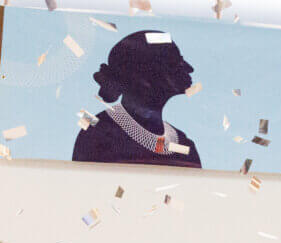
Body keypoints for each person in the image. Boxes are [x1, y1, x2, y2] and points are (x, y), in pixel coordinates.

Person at [73, 31, 202, 168]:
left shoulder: (183, 143)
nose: (189, 69)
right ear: (142, 76)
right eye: (174, 63)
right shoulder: (98, 133)